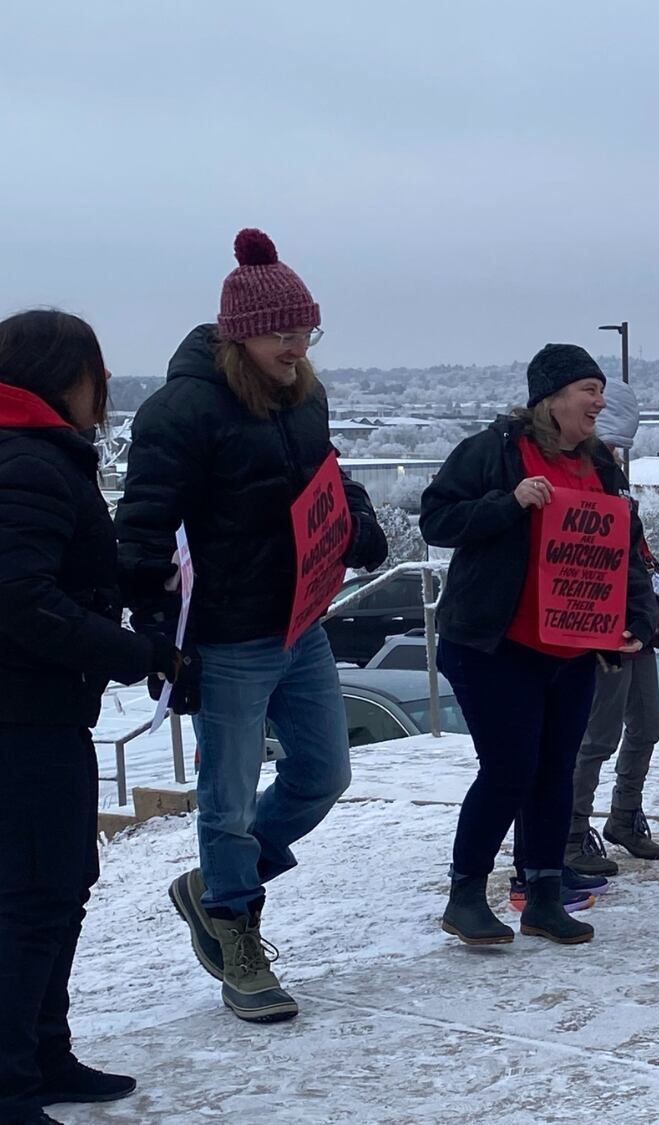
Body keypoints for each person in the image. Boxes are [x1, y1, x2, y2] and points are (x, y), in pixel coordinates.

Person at [117, 229, 387, 1023]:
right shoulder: (181, 412)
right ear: (241, 334)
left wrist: (359, 522)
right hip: (227, 637)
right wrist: (165, 640)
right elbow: (139, 538)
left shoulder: (307, 395)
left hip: (299, 622)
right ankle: (238, 936)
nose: (298, 348)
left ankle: (213, 886)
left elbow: (328, 476)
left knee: (324, 772)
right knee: (227, 800)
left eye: (307, 333)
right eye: (283, 334)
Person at [0, 311, 183, 1123]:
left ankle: (44, 1053)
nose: (102, 392)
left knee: (60, 888)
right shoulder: (28, 464)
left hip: (42, 712)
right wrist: (130, 651)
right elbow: (20, 598)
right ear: (64, 377)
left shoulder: (37, 457)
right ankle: (11, 1080)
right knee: (32, 899)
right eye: (95, 375)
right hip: (22, 719)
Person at [421, 344, 654, 947]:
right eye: (588, 390)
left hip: (571, 647)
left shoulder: (601, 465)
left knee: (555, 771)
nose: (600, 402)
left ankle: (544, 896)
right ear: (549, 399)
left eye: (601, 391)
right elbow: (437, 521)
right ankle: (466, 895)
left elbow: (621, 548)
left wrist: (635, 619)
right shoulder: (492, 451)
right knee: (508, 770)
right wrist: (509, 504)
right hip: (495, 645)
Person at [564, 379, 659, 877]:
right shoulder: (579, 473)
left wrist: (657, 600)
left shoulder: (614, 475)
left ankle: (624, 814)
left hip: (633, 617)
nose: (613, 453)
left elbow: (635, 548)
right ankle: (570, 829)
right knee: (598, 735)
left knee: (648, 721)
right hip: (599, 621)